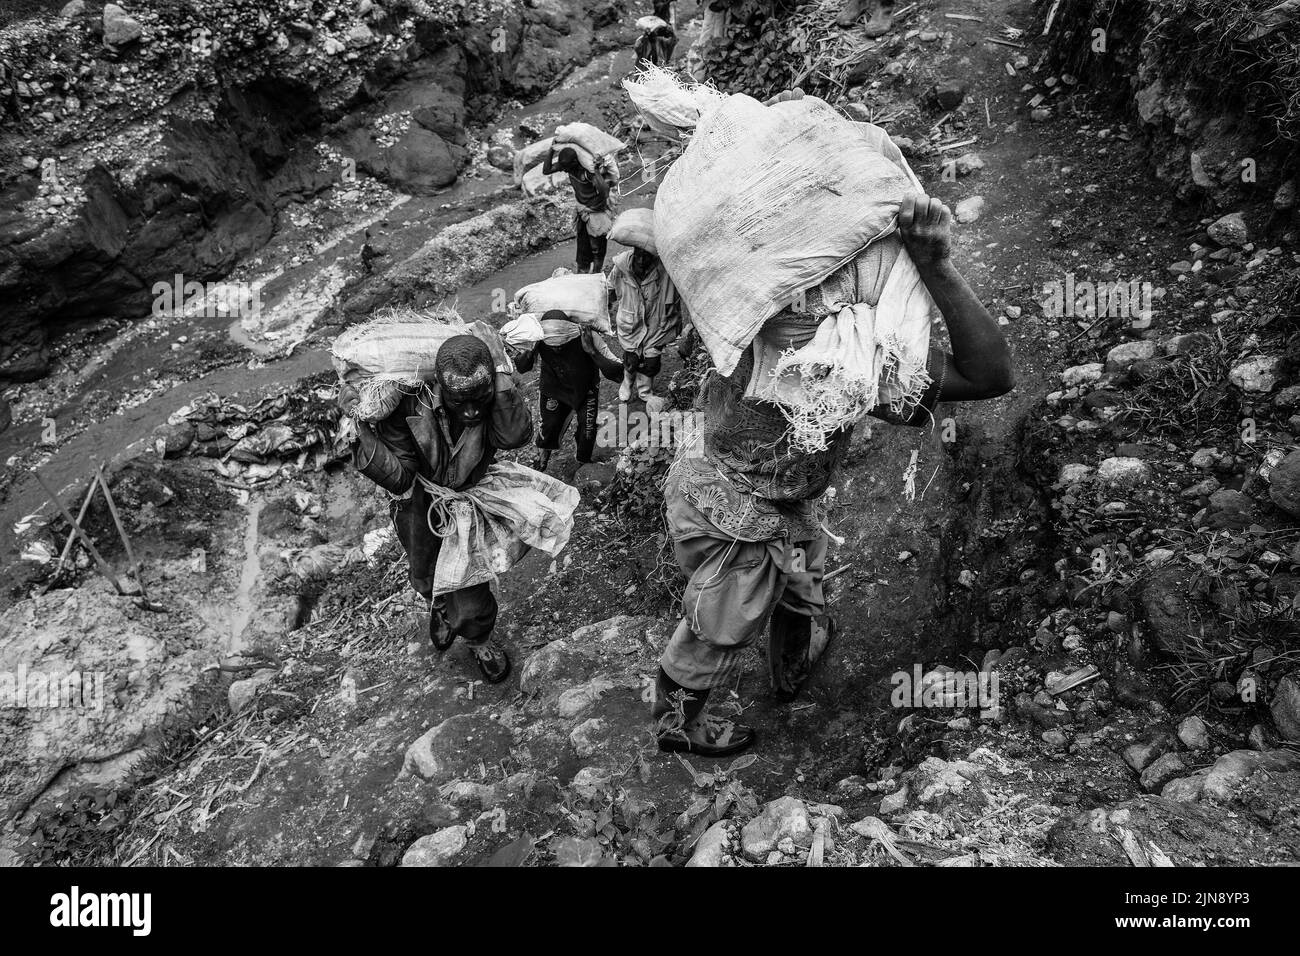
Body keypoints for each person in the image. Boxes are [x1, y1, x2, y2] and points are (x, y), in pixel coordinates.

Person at [651, 194, 1015, 756]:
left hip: (790, 501)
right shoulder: (748, 319)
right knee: (717, 629)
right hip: (730, 512)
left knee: (801, 581)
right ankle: (678, 727)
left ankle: (791, 666)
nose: (810, 302)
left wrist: (935, 263)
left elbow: (992, 374)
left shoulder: (853, 352)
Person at [338, 334, 532, 683]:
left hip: (470, 502)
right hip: (418, 503)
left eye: (480, 399)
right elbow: (399, 477)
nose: (472, 411)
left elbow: (515, 437)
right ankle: (440, 608)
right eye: (460, 401)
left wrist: (501, 383)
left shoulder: (497, 397)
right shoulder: (409, 404)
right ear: (441, 387)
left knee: (471, 587)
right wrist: (360, 432)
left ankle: (478, 640)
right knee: (424, 575)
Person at [509, 310, 623, 473]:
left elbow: (617, 372)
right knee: (549, 427)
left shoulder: (587, 336)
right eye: (552, 344)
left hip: (585, 388)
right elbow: (522, 368)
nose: (557, 348)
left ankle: (584, 463)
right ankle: (542, 459)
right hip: (553, 388)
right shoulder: (538, 338)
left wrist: (591, 351)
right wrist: (532, 349)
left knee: (588, 429)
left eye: (562, 344)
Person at [608, 244, 682, 403]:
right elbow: (609, 288)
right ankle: (627, 383)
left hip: (655, 323)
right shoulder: (621, 267)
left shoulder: (663, 268)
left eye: (646, 256)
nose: (641, 260)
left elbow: (676, 289)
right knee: (632, 359)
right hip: (631, 322)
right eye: (638, 256)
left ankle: (644, 391)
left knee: (651, 361)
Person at [543, 146, 614, 275]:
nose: (564, 170)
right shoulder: (567, 166)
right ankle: (583, 271)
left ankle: (597, 273)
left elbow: (605, 190)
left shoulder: (586, 173)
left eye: (566, 167)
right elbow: (546, 170)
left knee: (597, 247)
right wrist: (551, 149)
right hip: (582, 211)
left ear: (575, 163)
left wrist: (595, 206)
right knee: (582, 246)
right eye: (563, 167)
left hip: (595, 213)